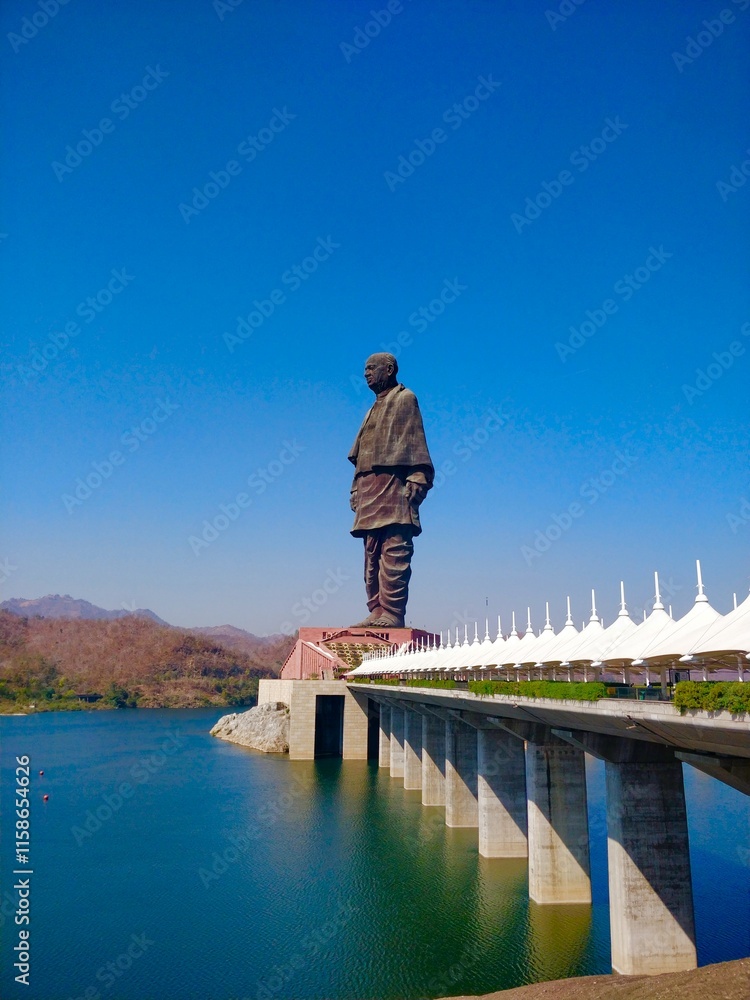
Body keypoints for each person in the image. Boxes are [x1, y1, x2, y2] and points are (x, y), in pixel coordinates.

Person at [348, 353, 433, 628]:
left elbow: (416, 440)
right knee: (371, 553)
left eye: (371, 368)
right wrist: (354, 489)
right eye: (365, 369)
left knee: (395, 549)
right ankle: (376, 608)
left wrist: (418, 476)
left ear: (390, 369)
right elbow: (360, 455)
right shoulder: (371, 409)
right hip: (368, 486)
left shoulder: (405, 399)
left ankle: (393, 612)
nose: (366, 373)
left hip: (394, 485)